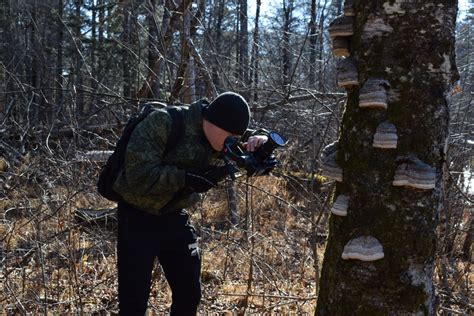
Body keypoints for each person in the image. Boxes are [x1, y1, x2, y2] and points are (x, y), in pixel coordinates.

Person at [112, 92, 268, 315]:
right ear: (214, 123)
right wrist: (186, 178)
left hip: (174, 216)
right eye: (231, 136)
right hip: (137, 217)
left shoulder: (220, 133)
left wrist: (261, 139)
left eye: (237, 136)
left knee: (189, 292)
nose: (233, 142)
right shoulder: (164, 123)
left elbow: (250, 140)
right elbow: (137, 176)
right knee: (133, 301)